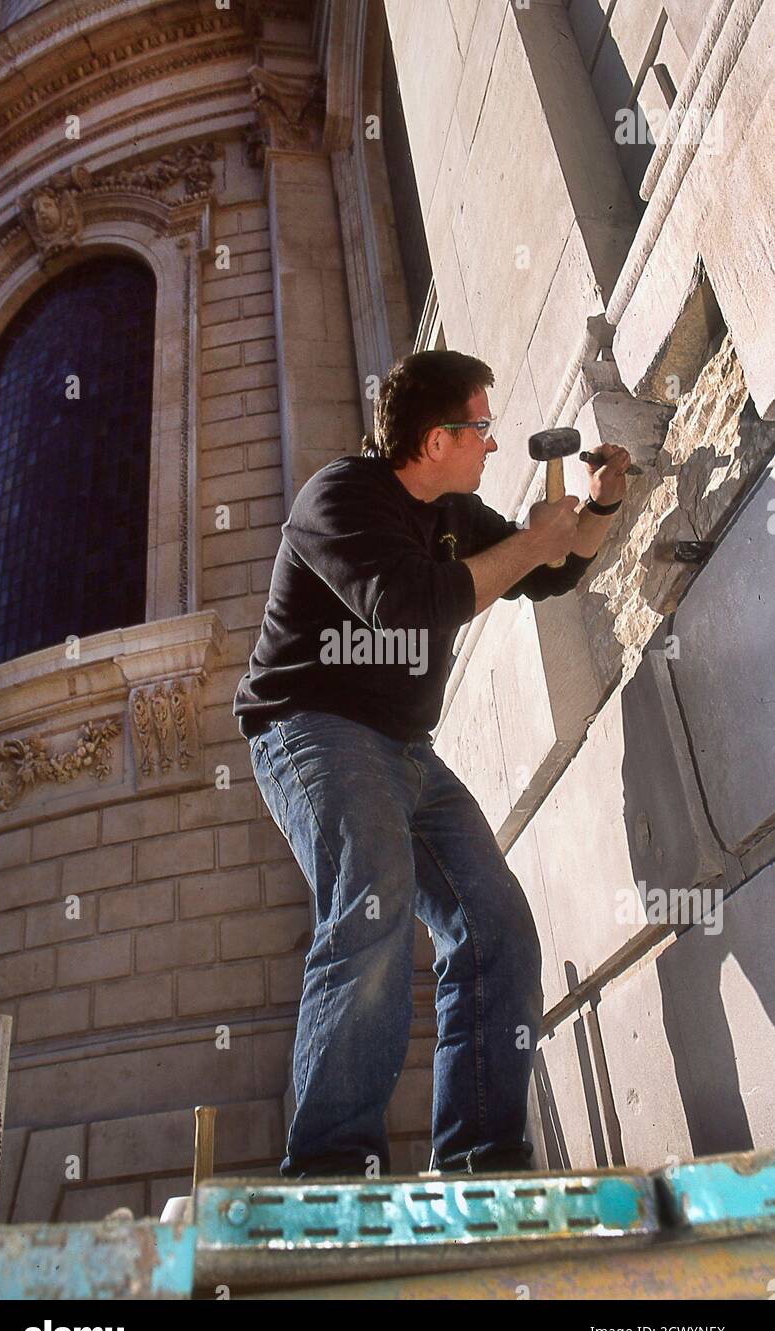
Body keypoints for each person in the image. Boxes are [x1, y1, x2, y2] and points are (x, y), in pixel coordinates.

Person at [233, 350, 630, 1179]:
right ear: (436, 436)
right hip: (313, 730)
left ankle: (482, 1161)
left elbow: (548, 571)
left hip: (408, 752)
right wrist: (534, 545)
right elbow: (411, 608)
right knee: (371, 905)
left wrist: (596, 507)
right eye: (480, 427)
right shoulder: (339, 499)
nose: (491, 442)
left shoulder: (453, 507)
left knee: (497, 928)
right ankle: (331, 1171)